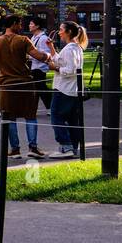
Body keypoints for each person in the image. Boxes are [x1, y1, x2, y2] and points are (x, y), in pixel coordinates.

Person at [0, 14, 52, 159]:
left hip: (6, 84)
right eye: (19, 24)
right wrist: (49, 56)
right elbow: (38, 56)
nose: (21, 26)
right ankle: (33, 147)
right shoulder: (23, 40)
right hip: (25, 83)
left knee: (9, 117)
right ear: (14, 24)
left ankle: (15, 149)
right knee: (30, 116)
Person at [45, 20, 88, 157]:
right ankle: (73, 147)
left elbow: (70, 70)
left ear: (68, 32)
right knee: (72, 119)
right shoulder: (75, 47)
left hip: (63, 89)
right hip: (72, 90)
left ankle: (66, 147)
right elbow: (61, 61)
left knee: (56, 117)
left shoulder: (70, 49)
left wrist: (54, 68)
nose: (59, 32)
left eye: (61, 29)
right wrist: (51, 48)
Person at [27, 17, 54, 111]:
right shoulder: (33, 37)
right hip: (34, 67)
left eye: (31, 24)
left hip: (40, 68)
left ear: (37, 26)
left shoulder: (43, 38)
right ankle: (35, 108)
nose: (29, 25)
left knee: (41, 88)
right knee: (37, 88)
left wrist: (30, 56)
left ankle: (50, 107)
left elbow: (46, 54)